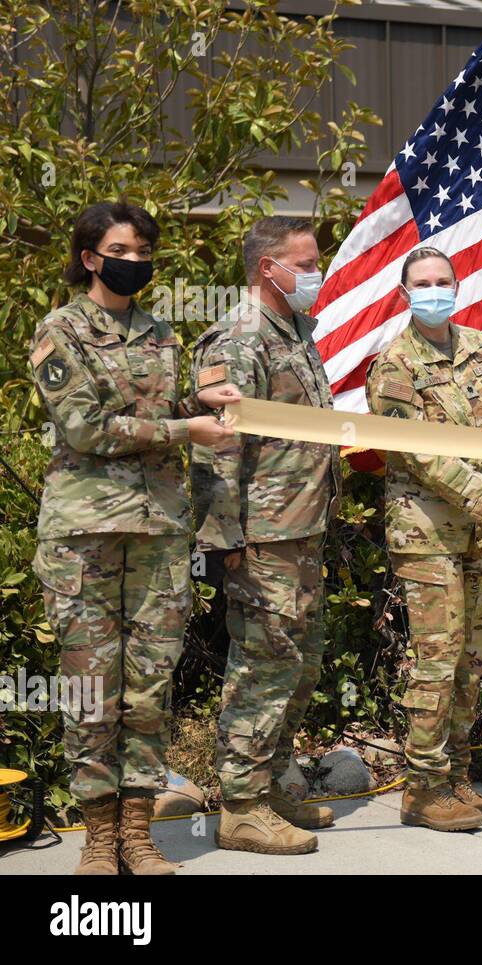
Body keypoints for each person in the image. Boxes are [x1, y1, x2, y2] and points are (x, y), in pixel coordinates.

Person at [30, 201, 239, 874]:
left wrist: (199, 407)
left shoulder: (160, 332)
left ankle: (137, 834)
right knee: (92, 692)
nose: (138, 262)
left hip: (158, 532)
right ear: (90, 257)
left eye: (146, 253)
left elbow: (156, 415)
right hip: (84, 536)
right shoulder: (58, 330)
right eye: (124, 250)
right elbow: (87, 429)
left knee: (149, 689)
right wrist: (186, 432)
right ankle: (95, 837)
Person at [365, 247, 482, 832]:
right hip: (427, 531)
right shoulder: (394, 364)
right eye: (423, 283)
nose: (434, 290)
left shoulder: (479, 350)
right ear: (405, 293)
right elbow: (417, 452)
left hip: (479, 535)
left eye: (443, 281)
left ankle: (455, 773)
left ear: (457, 285)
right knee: (437, 658)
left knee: (473, 657)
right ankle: (420, 787)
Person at [190, 216, 341, 855]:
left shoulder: (296, 333)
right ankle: (242, 805)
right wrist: (223, 541)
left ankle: (273, 782)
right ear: (267, 268)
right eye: (304, 264)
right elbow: (217, 447)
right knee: (261, 666)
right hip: (261, 536)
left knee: (298, 663)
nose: (314, 274)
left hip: (302, 529)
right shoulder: (236, 341)